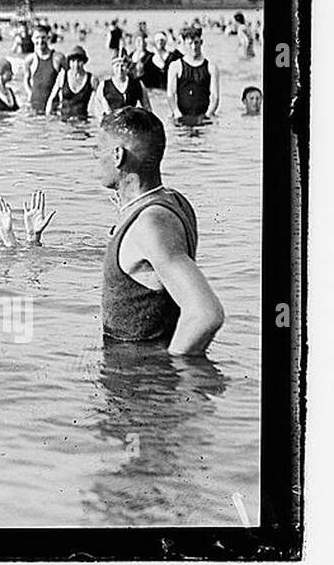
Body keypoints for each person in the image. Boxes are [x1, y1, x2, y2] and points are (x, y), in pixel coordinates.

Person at [94, 107, 224, 354]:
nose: (93, 156)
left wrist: (169, 373)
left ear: (118, 155)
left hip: (142, 381)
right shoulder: (174, 201)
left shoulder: (150, 223)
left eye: (98, 148)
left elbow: (206, 314)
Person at [166, 26, 219, 122]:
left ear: (201, 42)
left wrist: (208, 115)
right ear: (184, 44)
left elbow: (215, 97)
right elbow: (170, 95)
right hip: (181, 115)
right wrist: (177, 113)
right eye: (190, 43)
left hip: (204, 116)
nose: (194, 47)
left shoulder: (211, 67)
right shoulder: (175, 66)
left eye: (196, 43)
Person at [47, 46, 98, 119]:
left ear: (84, 62)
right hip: (64, 122)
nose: (76, 65)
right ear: (69, 62)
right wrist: (47, 118)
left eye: (79, 61)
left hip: (82, 122)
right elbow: (52, 98)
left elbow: (101, 100)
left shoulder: (92, 79)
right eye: (73, 61)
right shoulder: (63, 76)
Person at [24, 27, 64, 114]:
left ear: (48, 38)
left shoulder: (58, 58)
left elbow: (66, 79)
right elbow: (26, 79)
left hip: (53, 106)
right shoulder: (30, 60)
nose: (40, 41)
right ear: (32, 39)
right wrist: (29, 93)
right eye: (37, 38)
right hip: (35, 106)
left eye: (43, 37)